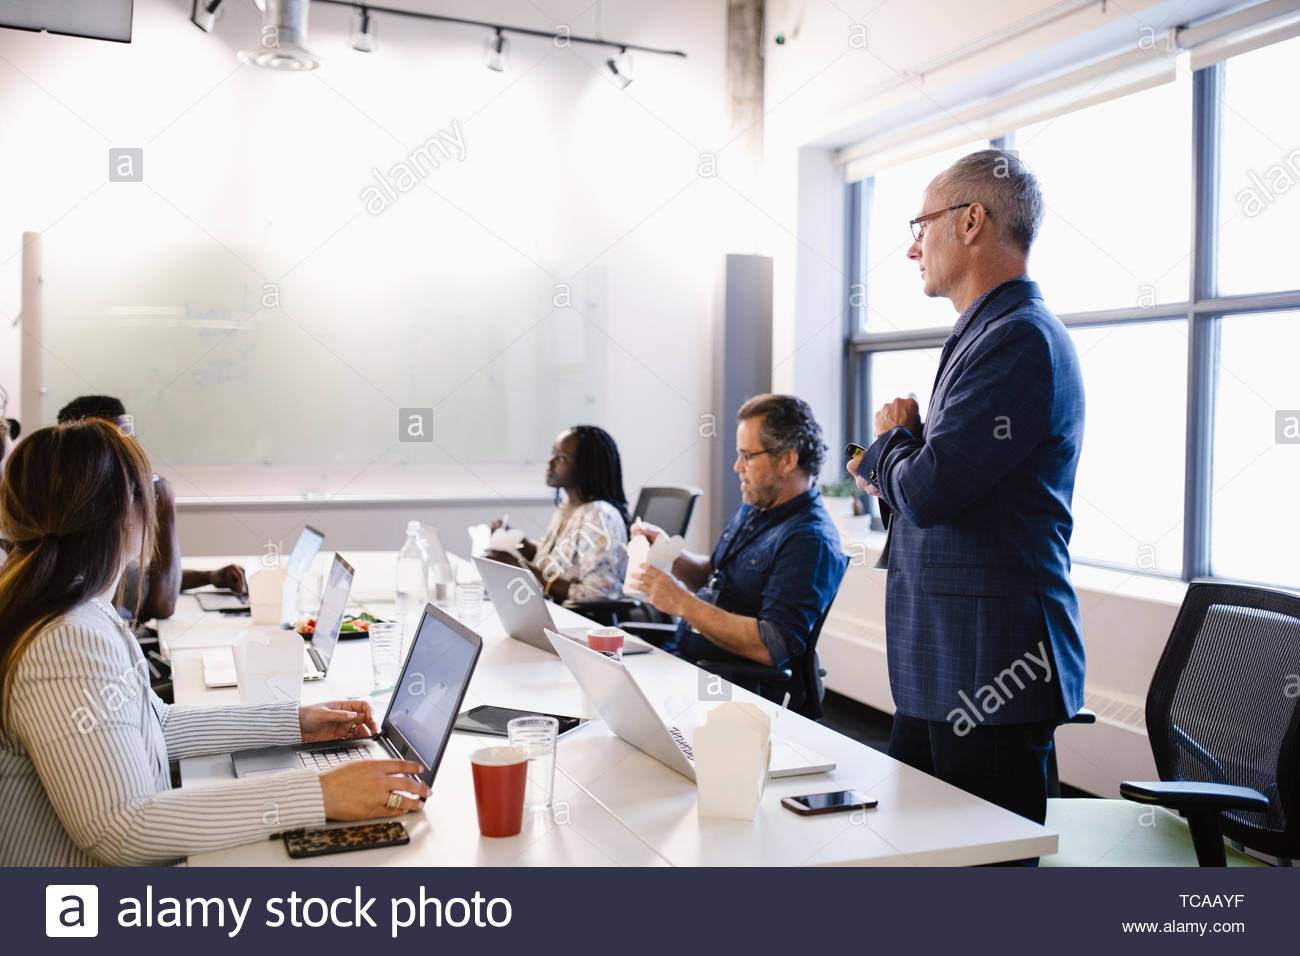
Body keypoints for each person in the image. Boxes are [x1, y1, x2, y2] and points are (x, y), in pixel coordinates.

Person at [0, 419, 428, 866]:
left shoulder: (81, 612)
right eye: (149, 487)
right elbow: (123, 830)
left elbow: (155, 726)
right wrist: (321, 793)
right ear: (121, 514)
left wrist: (293, 723)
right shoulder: (66, 640)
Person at [847, 149, 1086, 845]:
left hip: (991, 671)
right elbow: (948, 490)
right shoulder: (987, 332)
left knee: (983, 882)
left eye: (920, 225)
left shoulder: (1017, 340)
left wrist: (894, 441)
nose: (912, 246)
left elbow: (929, 489)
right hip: (948, 666)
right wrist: (903, 457)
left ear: (973, 220)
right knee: (923, 864)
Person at [630, 395, 846, 713]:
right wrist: (672, 556)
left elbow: (772, 646)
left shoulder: (810, 540)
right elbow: (714, 575)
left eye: (747, 456)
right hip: (692, 664)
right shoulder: (757, 505)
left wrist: (680, 603)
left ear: (787, 460)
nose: (737, 467)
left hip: (732, 692)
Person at [55, 395, 246, 621]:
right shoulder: (81, 538)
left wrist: (210, 576)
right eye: (118, 449)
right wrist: (164, 502)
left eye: (132, 443)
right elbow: (160, 604)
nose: (134, 457)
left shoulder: (97, 527)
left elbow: (142, 582)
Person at [488, 425, 630, 602]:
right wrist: (520, 544)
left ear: (586, 467)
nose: (550, 462)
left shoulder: (599, 516)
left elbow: (598, 594)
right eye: (552, 454)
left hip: (581, 621)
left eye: (561, 458)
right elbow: (559, 562)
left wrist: (520, 569)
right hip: (551, 610)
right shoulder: (567, 507)